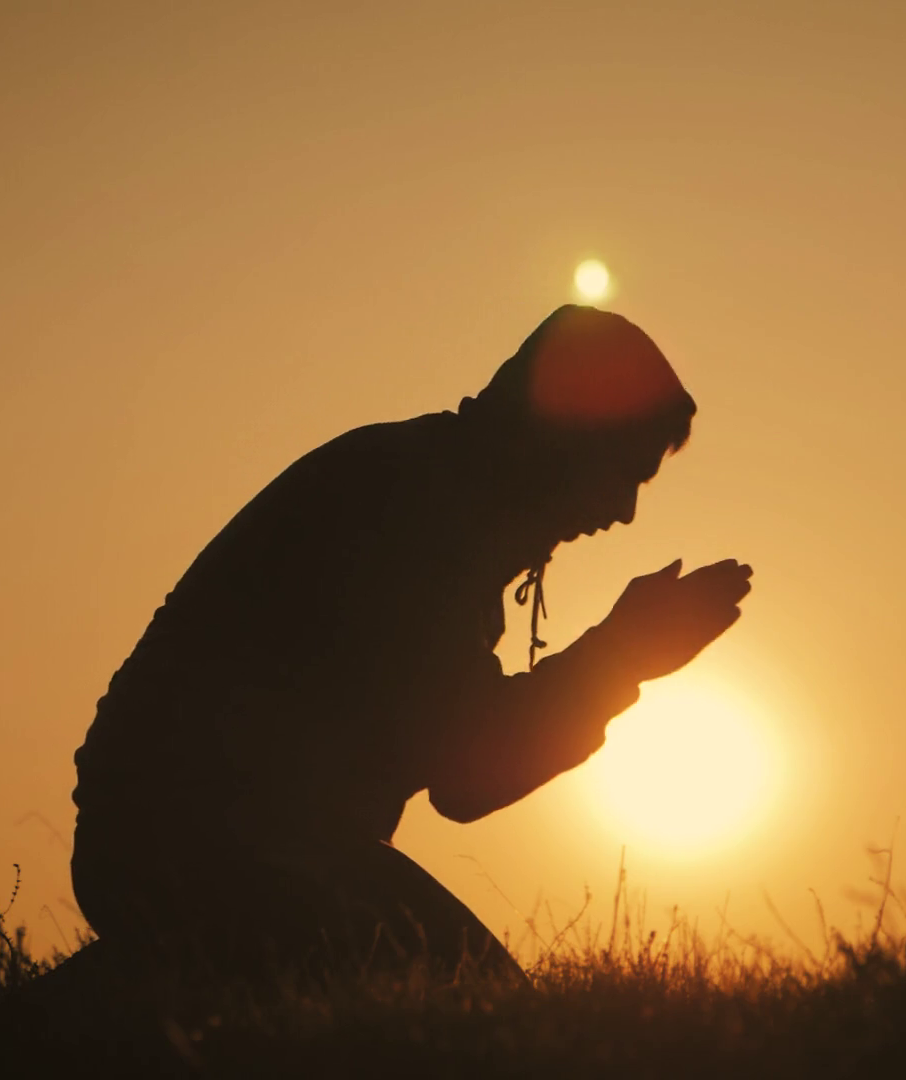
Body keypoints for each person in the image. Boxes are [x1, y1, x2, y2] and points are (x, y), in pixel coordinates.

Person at [67, 305, 753, 982]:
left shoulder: (442, 493)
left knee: (435, 987)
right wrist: (620, 656)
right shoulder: (416, 506)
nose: (624, 513)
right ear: (569, 437)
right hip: (206, 843)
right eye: (625, 474)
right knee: (470, 999)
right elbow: (468, 774)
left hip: (228, 842)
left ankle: (95, 997)